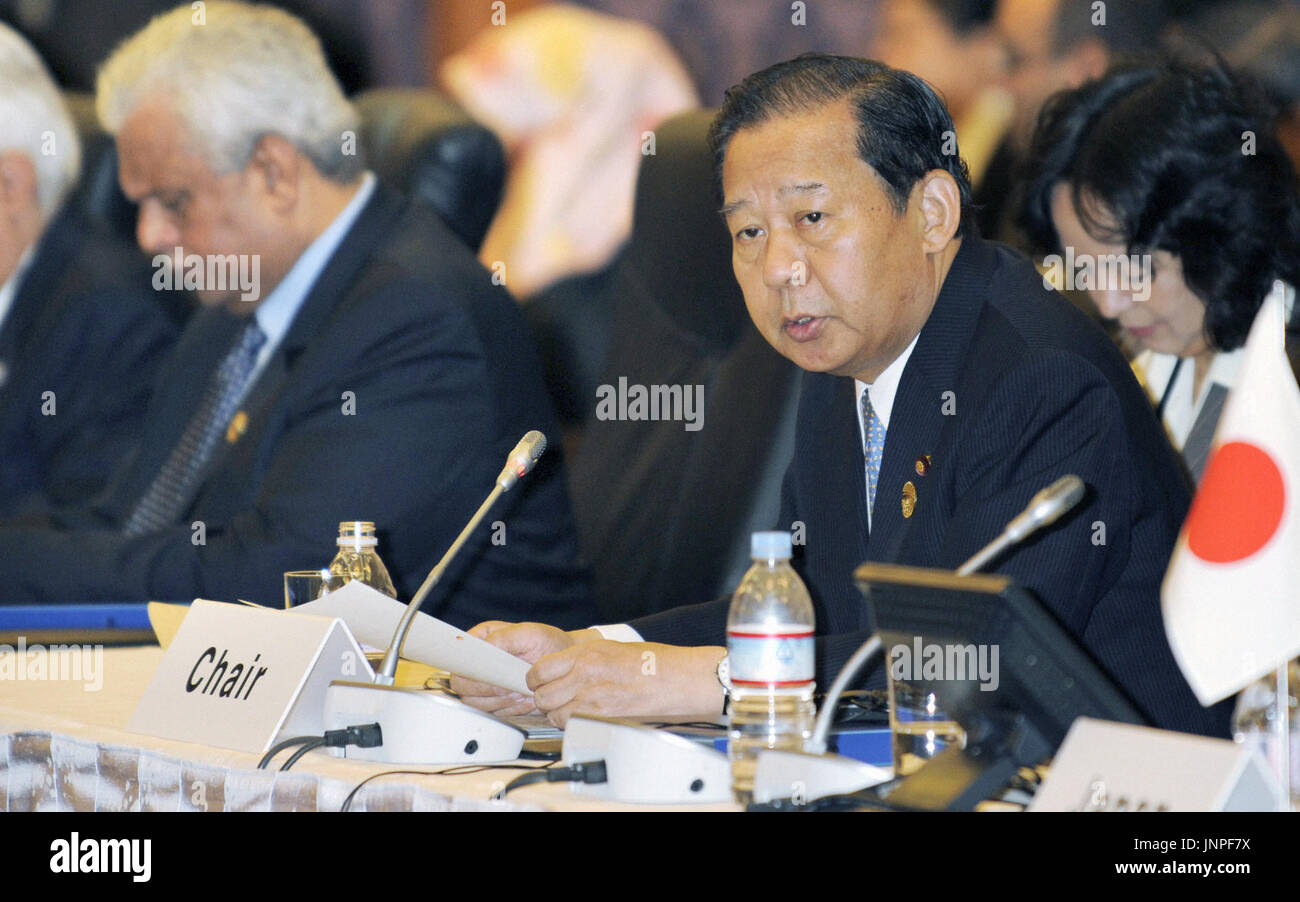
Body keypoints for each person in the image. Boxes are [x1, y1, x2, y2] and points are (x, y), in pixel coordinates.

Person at [450, 54, 1229, 738]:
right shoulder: (847, 358)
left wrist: (697, 681)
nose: (780, 267)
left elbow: (970, 667)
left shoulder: (1040, 375)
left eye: (812, 217)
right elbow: (818, 608)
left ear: (931, 213)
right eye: (748, 233)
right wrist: (593, 649)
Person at [0, 2, 595, 631]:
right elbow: (125, 518)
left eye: (173, 202)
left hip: (463, 713)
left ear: (274, 173)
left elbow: (280, 580)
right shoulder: (233, 310)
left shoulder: (420, 318)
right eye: (141, 206)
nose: (149, 236)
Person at [1019, 61, 1300, 484]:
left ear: (1219, 231)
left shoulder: (1289, 378)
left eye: (1134, 270)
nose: (1108, 304)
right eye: (1084, 270)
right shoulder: (1132, 366)